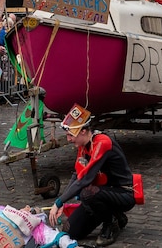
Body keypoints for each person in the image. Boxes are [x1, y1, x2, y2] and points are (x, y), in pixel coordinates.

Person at [49, 104, 135, 247]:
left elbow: (85, 180)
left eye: (71, 135)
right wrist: (62, 200)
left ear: (83, 131)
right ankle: (114, 215)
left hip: (123, 192)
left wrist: (59, 202)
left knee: (86, 193)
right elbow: (77, 175)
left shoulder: (102, 142)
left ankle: (111, 223)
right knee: (70, 231)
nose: (68, 139)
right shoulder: (83, 145)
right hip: (100, 193)